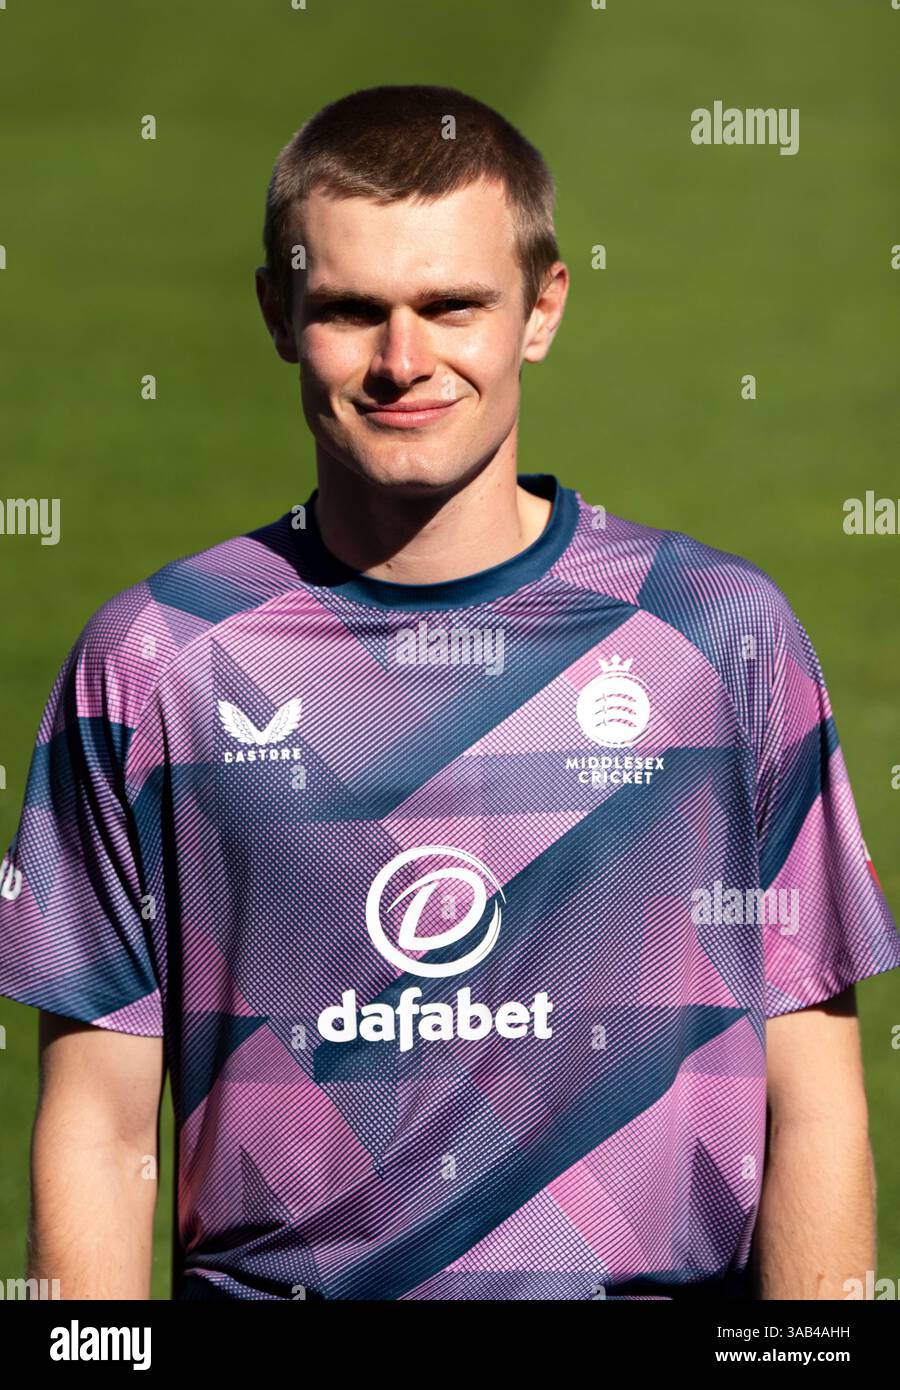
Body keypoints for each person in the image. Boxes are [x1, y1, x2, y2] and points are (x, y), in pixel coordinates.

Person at [1, 83, 898, 1302]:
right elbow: (102, 1135)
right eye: (351, 311)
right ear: (277, 314)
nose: (403, 361)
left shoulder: (717, 636)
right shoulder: (156, 661)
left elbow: (814, 1105)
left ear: (544, 307)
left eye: (451, 306)